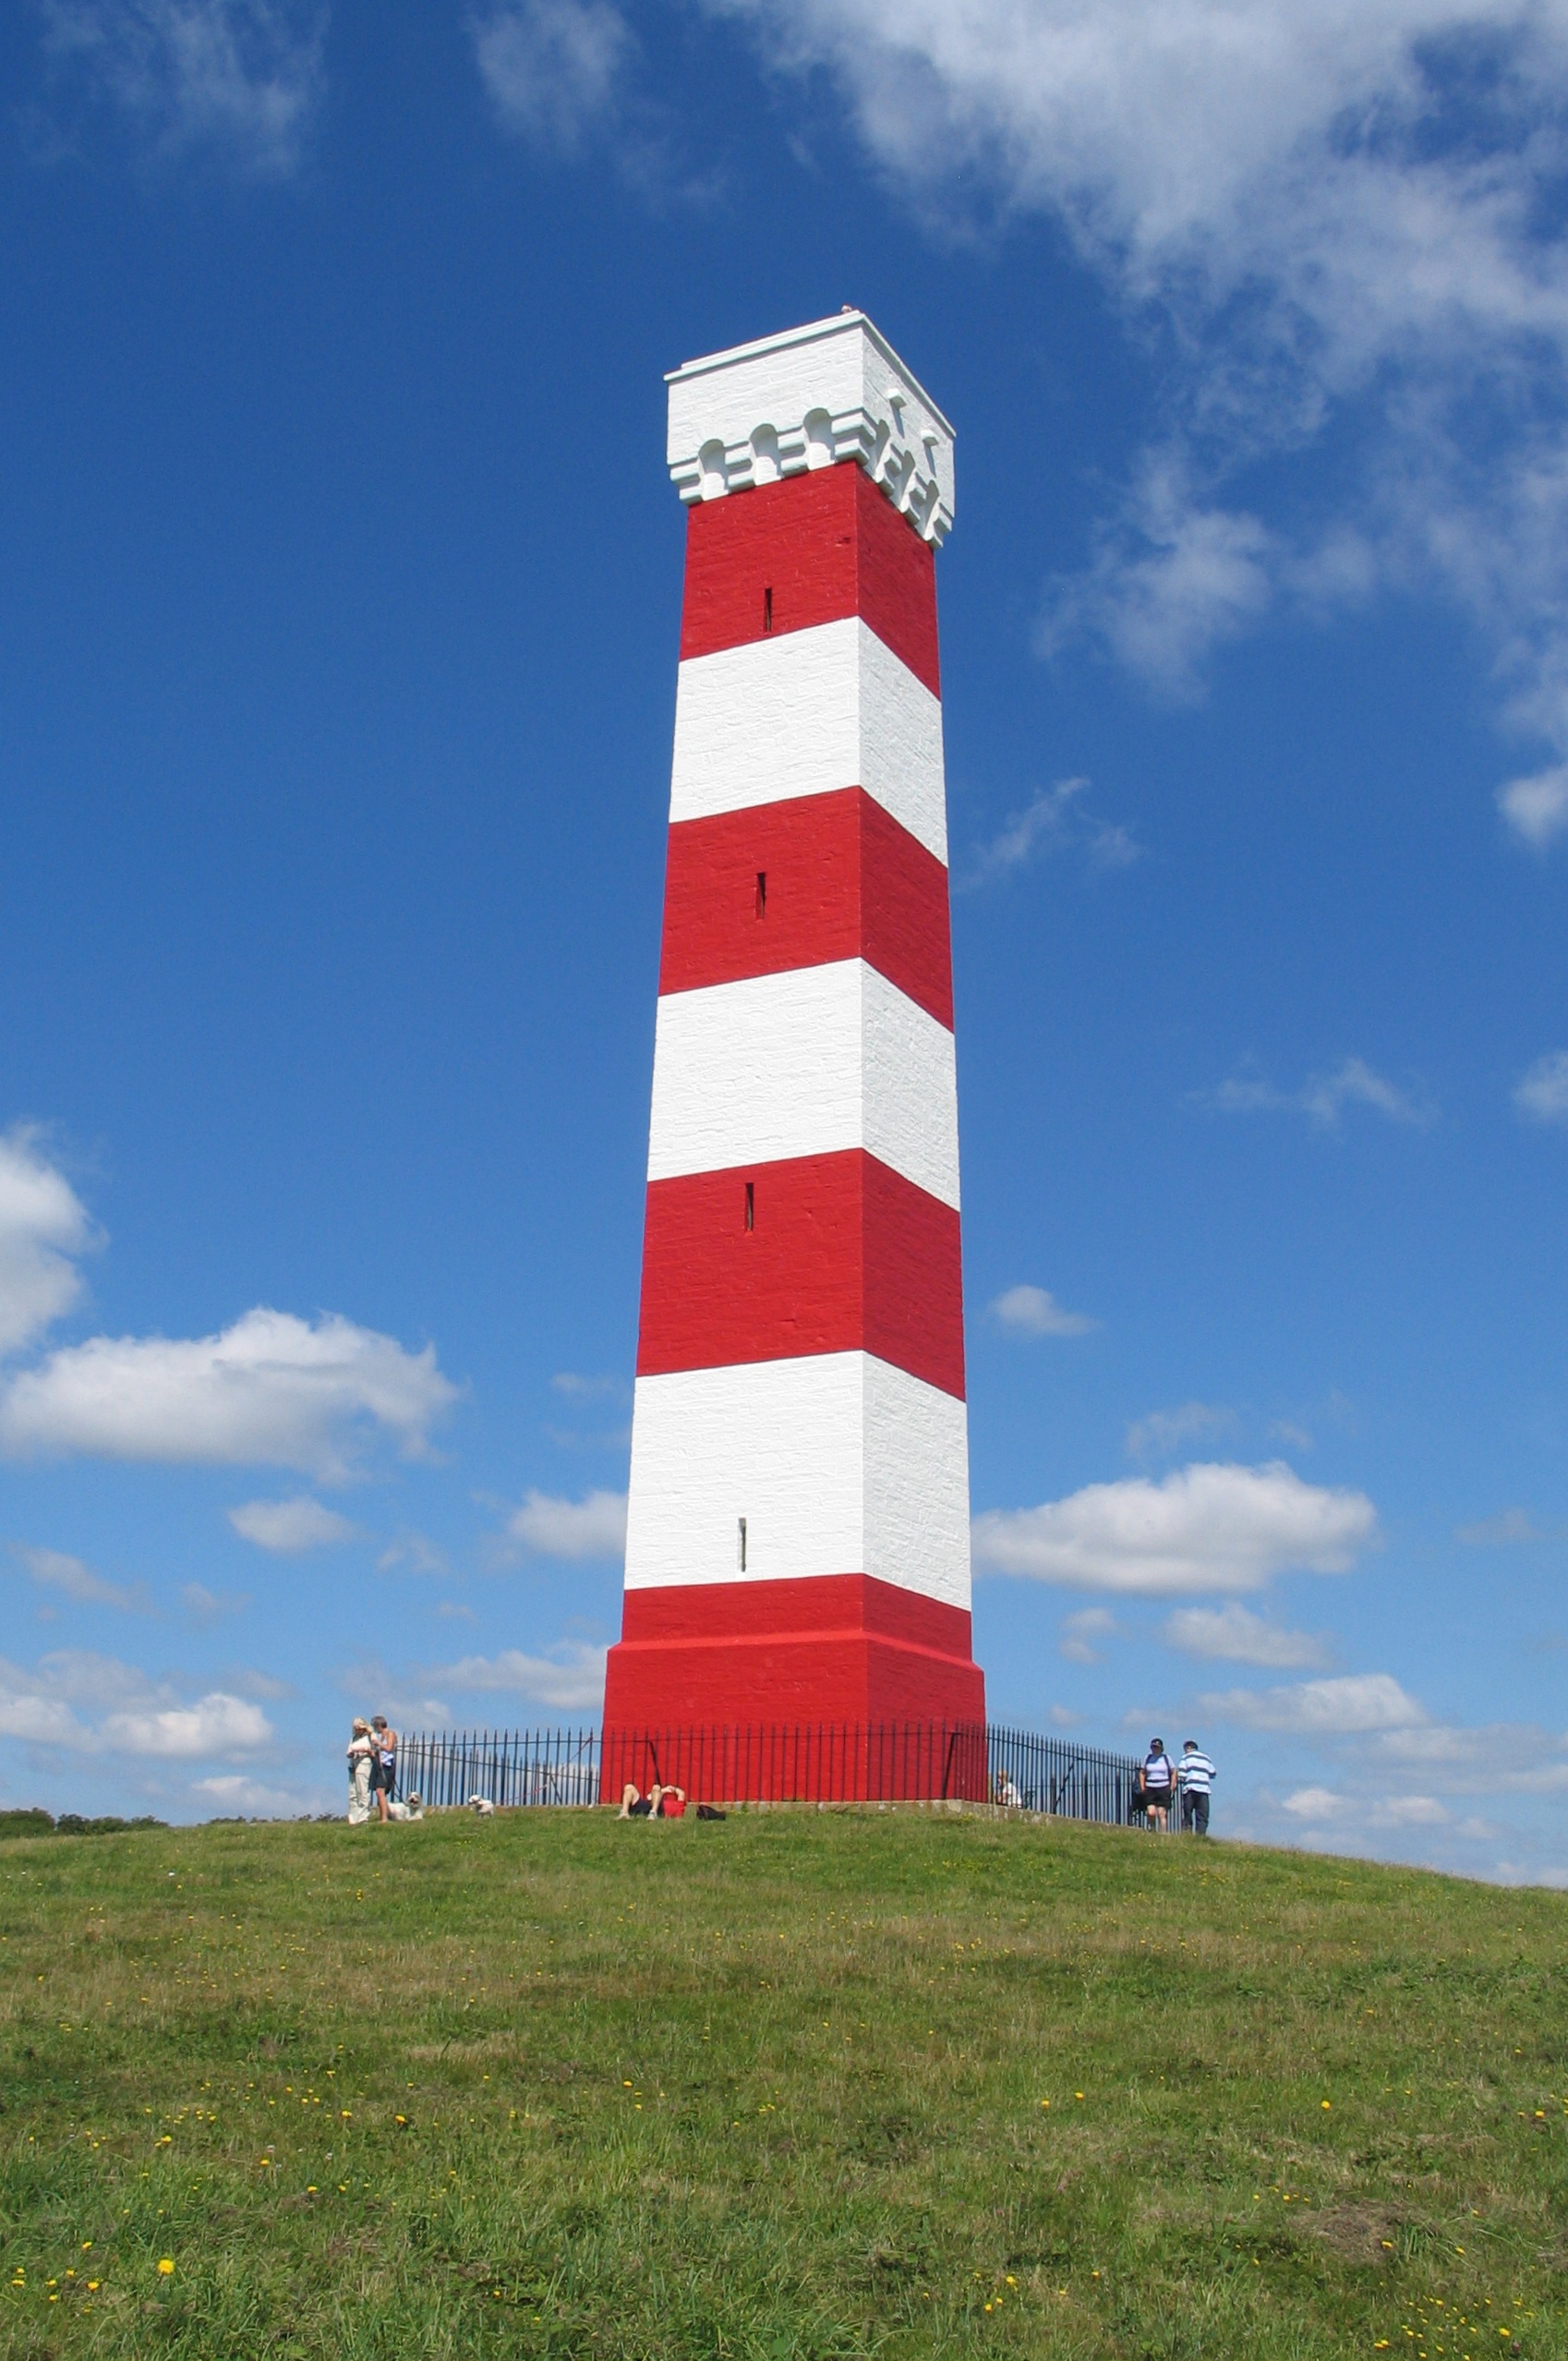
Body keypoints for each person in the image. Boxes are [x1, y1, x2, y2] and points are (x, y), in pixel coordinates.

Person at [1177, 1739, 1216, 1835]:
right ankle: (1201, 1835)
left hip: (1190, 1788)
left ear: (1188, 1748)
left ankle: (1187, 1833)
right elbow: (1213, 1773)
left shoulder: (1185, 1757)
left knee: (1188, 1813)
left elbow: (1181, 1774)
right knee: (1202, 1815)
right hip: (1204, 1790)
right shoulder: (1206, 1758)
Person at [1140, 1737, 1175, 1832]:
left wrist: (1172, 1785)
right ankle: (1153, 1829)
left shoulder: (1166, 1758)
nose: (1155, 1749)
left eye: (1157, 1747)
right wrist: (1142, 1786)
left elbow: (1174, 1771)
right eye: (1154, 1747)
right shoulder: (1147, 1758)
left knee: (1161, 1813)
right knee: (1151, 1812)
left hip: (1163, 1787)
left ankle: (1163, 1833)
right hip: (1150, 1787)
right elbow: (1142, 1772)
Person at [369, 1714, 399, 1823]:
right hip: (379, 1765)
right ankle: (387, 1815)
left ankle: (384, 1818)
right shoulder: (381, 1736)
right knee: (379, 1791)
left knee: (380, 1791)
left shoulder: (390, 1734)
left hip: (387, 1766)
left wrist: (379, 1744)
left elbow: (389, 1748)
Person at [345, 1720, 374, 1825]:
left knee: (363, 1791)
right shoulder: (353, 1739)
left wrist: (361, 1749)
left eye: (359, 1729)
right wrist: (351, 1754)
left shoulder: (369, 1738)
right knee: (353, 1792)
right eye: (355, 1729)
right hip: (354, 1764)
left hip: (363, 1763)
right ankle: (353, 1818)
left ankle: (363, 1817)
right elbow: (348, 1752)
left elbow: (371, 1750)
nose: (357, 1731)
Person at [617, 1781, 685, 1819]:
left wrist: (665, 1790)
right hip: (646, 1804)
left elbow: (681, 1793)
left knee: (656, 1787)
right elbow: (649, 1797)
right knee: (629, 1787)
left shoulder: (679, 1808)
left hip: (658, 1810)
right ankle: (624, 1813)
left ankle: (653, 1814)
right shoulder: (679, 1806)